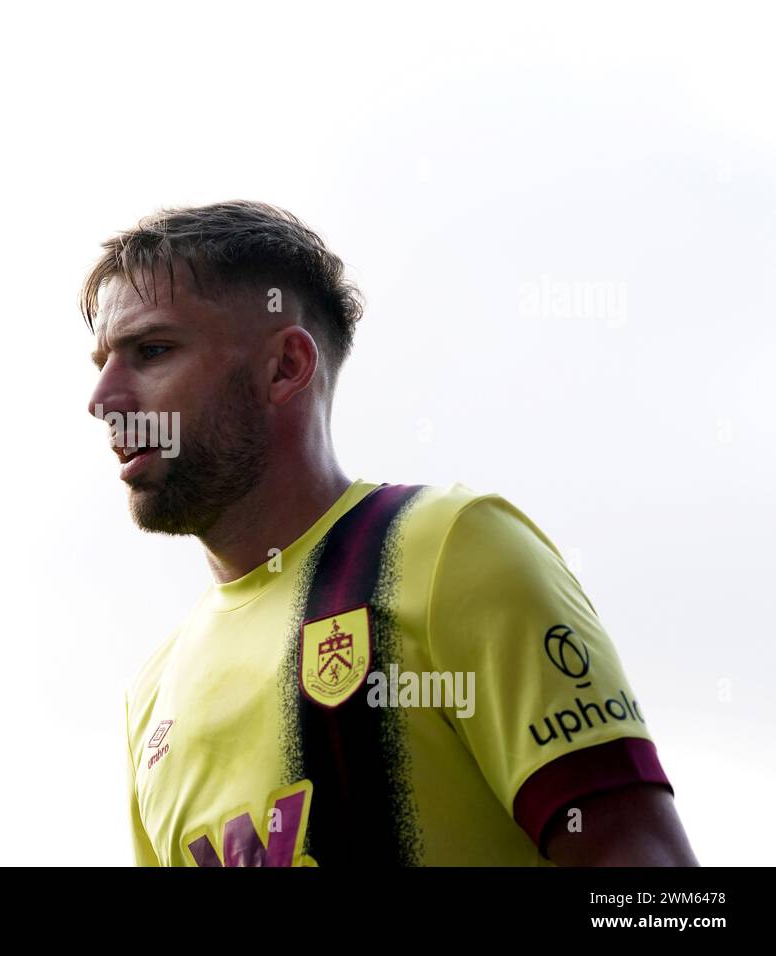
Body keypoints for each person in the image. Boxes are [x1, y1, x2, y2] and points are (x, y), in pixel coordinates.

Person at [82, 200, 698, 867]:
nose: (103, 399)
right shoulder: (152, 695)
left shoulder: (449, 550)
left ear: (285, 367)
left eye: (151, 351)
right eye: (101, 363)